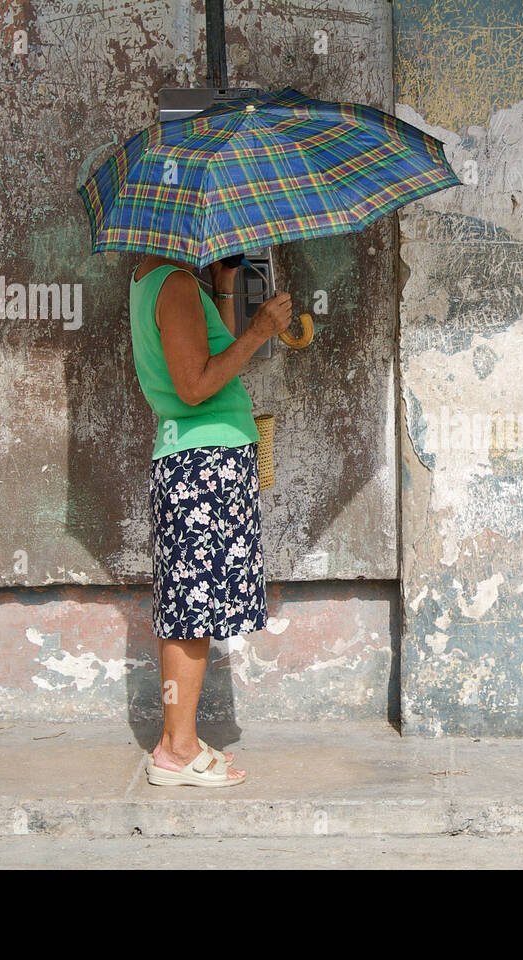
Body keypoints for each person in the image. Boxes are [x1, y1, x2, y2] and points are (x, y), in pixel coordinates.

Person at [128, 253, 293, 786]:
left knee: (190, 603)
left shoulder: (166, 281)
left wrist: (222, 290)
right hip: (202, 464)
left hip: (204, 461)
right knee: (190, 610)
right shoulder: (173, 285)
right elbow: (194, 387)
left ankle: (182, 739)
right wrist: (261, 329)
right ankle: (175, 751)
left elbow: (206, 355)